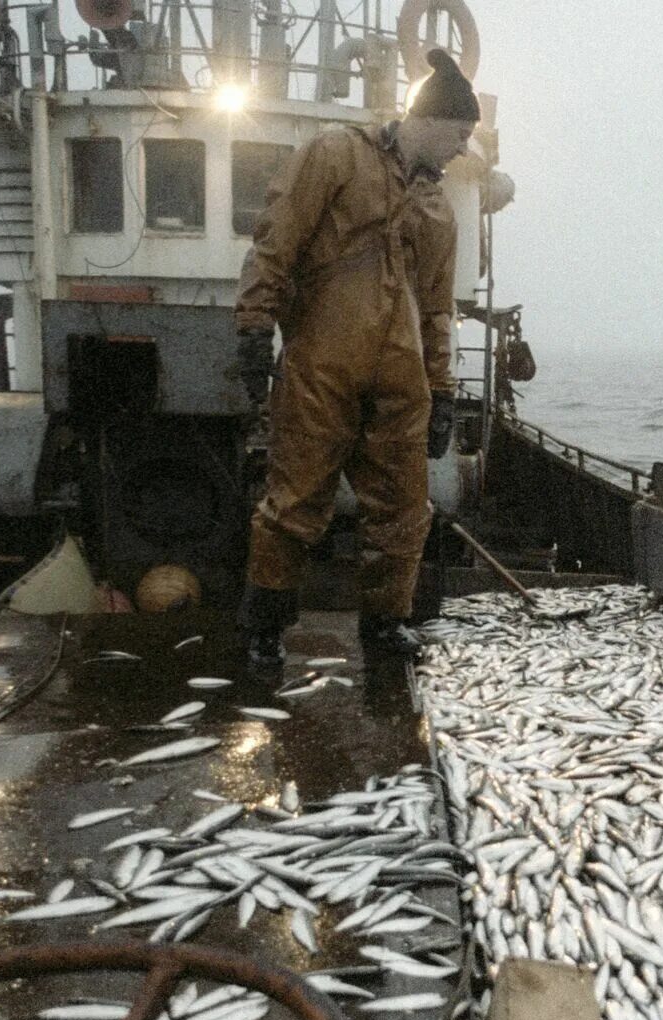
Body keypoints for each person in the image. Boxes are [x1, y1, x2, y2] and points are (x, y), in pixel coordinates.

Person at [233, 50, 479, 670]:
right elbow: (277, 237)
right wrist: (255, 325)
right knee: (295, 502)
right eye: (460, 134)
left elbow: (435, 311)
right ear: (429, 119)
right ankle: (264, 627)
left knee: (403, 509)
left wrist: (442, 389)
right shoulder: (336, 155)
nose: (461, 149)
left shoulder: (439, 212)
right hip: (322, 366)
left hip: (401, 382)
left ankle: (385, 624)